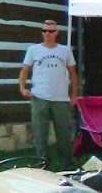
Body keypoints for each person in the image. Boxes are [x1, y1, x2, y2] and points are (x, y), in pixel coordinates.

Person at [17, 19, 78, 169]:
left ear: (56, 33)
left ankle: (67, 166)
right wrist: (22, 87)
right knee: (40, 135)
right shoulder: (33, 50)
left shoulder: (65, 50)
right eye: (44, 31)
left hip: (61, 98)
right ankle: (41, 165)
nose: (47, 34)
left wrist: (74, 94)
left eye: (50, 31)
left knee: (64, 134)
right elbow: (25, 70)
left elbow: (73, 73)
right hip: (39, 97)